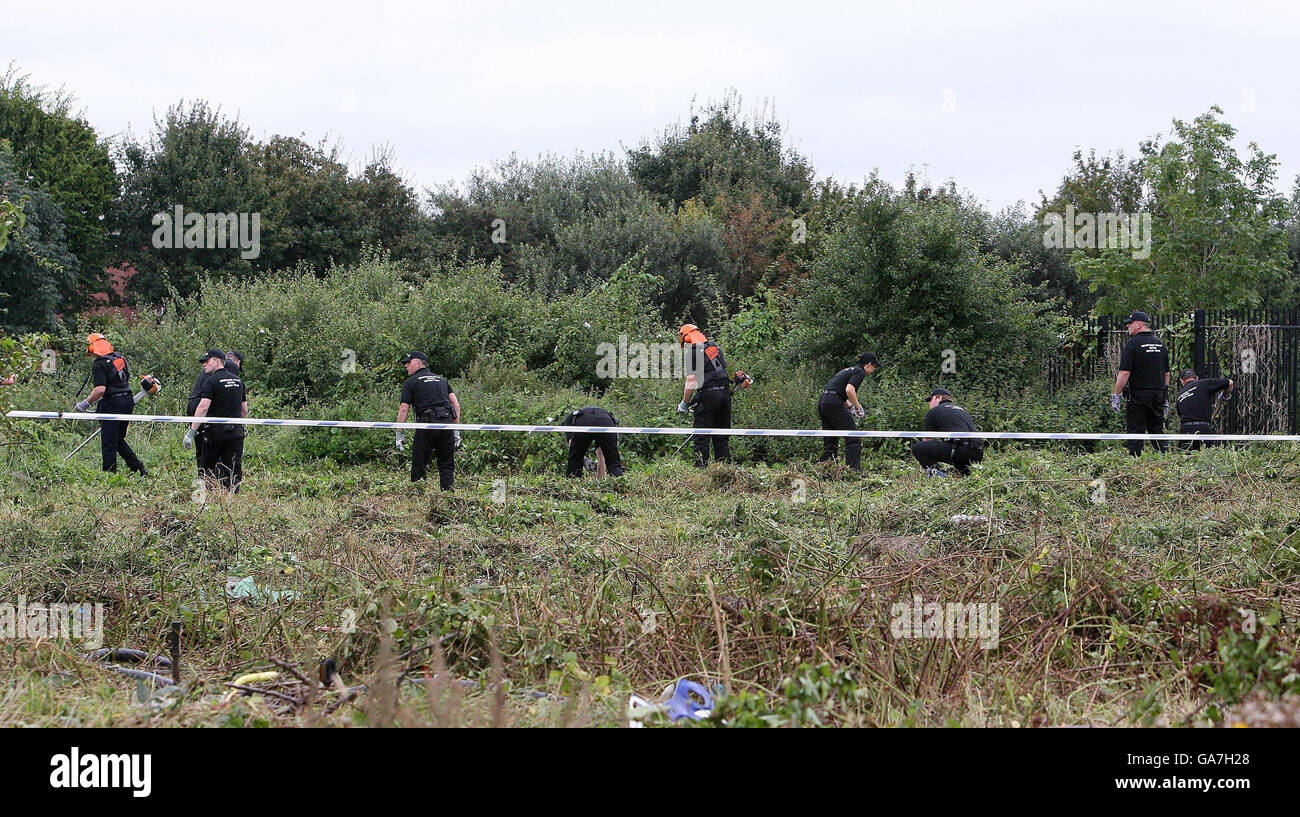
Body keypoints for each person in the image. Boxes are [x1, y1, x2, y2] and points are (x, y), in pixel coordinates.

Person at [74, 333, 147, 476]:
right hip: (127, 401)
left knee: (108, 442)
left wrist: (85, 403)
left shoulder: (100, 363)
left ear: (92, 346)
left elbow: (100, 390)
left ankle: (109, 476)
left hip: (113, 404)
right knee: (118, 439)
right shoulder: (119, 358)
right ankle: (138, 468)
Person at [395, 352, 460, 490]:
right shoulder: (441, 380)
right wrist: (456, 430)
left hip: (426, 425)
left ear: (418, 363)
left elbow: (404, 409)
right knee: (446, 463)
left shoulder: (410, 382)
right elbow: (456, 405)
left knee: (419, 462)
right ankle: (448, 495)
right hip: (446, 425)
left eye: (409, 362)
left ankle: (417, 495)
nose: (406, 365)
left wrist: (399, 434)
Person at [184, 349, 247, 492]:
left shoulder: (210, 381)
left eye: (207, 361)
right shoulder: (239, 381)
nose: (204, 364)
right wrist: (238, 427)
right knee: (233, 468)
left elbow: (203, 408)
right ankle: (232, 500)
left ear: (218, 361)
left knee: (207, 466)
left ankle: (204, 499)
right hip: (236, 432)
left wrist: (191, 431)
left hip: (215, 432)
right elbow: (244, 410)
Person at [1111, 311, 1170, 456]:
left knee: (1136, 431)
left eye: (1129, 324)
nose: (1128, 327)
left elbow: (1124, 373)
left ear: (1138, 324)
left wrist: (1116, 394)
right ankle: (1164, 459)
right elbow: (1166, 374)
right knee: (1157, 430)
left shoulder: (1132, 344)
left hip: (1139, 395)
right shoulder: (1160, 344)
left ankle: (1135, 462)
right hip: (1158, 394)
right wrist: (1165, 395)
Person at [678, 324, 732, 467]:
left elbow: (691, 380)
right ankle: (725, 469)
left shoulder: (694, 353)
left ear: (687, 337)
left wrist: (684, 402)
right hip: (725, 395)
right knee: (721, 437)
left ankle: (701, 470)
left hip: (708, 396)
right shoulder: (715, 347)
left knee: (701, 436)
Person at [818, 352, 879, 470]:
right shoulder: (860, 372)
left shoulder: (848, 370)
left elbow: (837, 391)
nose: (874, 370)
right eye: (874, 367)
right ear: (869, 364)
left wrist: (850, 406)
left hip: (824, 400)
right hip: (833, 402)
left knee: (830, 436)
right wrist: (857, 407)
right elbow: (849, 390)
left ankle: (826, 467)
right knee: (853, 437)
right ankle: (853, 470)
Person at [912, 388, 984, 477]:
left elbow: (927, 438)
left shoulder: (934, 411)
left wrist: (924, 463)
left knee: (918, 448)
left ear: (938, 398)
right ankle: (963, 475)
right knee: (963, 475)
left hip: (959, 449)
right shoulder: (961, 410)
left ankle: (938, 476)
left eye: (930, 400)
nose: (929, 403)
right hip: (978, 452)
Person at [1174, 369, 1234, 450]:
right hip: (1203, 429)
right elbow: (1230, 383)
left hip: (1185, 430)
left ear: (1182, 381)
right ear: (1197, 378)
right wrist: (1225, 397)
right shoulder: (1203, 383)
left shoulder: (1179, 395)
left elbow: (1181, 415)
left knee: (1186, 459)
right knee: (1206, 458)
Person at [560, 406, 624, 478]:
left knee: (575, 459)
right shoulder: (572, 418)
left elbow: (572, 445)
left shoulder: (568, 421)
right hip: (606, 420)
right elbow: (601, 454)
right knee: (613, 460)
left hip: (584, 420)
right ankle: (618, 483)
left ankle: (573, 482)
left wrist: (583, 459)